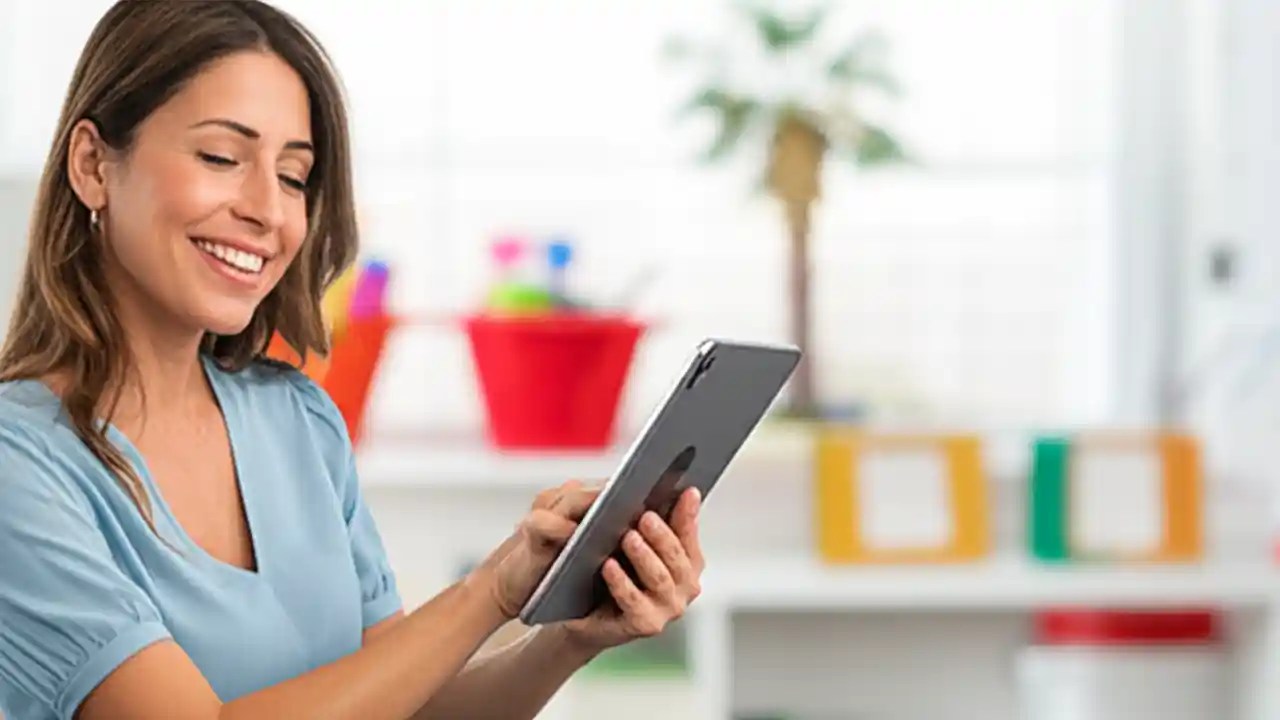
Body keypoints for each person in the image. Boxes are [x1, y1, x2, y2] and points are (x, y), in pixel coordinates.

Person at [0, 2, 705, 719]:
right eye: (220, 157)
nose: (267, 210)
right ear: (92, 165)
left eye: (294, 176)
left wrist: (568, 639)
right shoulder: (20, 463)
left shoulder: (298, 421)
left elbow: (403, 709)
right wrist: (490, 589)